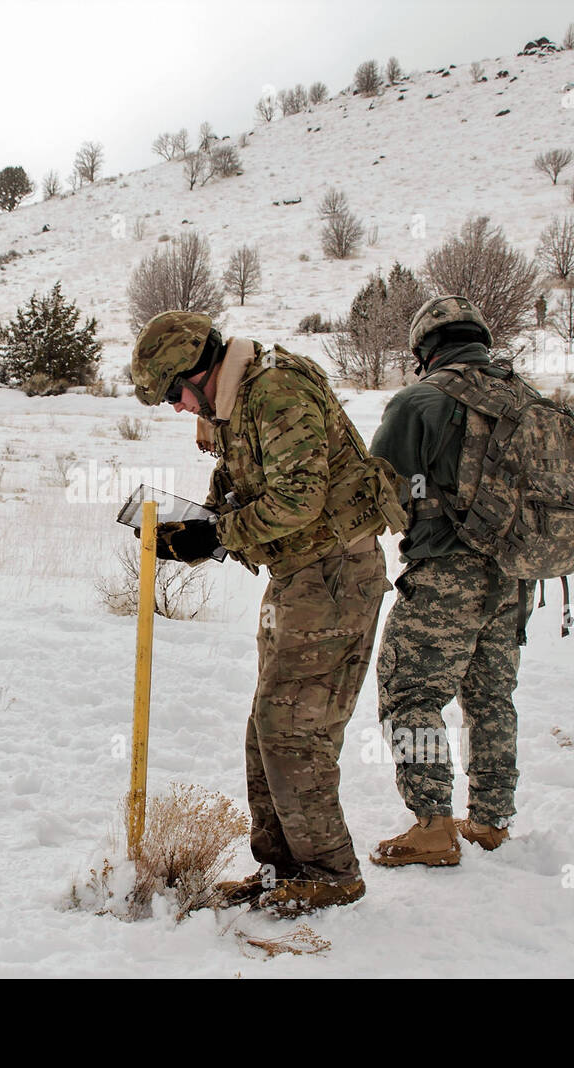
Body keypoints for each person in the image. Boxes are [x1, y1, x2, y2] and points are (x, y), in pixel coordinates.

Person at [130, 311, 405, 913]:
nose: (178, 408)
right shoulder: (236, 401)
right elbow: (237, 488)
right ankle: (282, 870)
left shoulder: (275, 391)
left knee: (293, 729)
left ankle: (332, 873)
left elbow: (298, 501)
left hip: (334, 574)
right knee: (265, 730)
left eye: (175, 393)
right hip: (298, 576)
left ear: (196, 368)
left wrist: (221, 535)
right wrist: (194, 529)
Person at [366, 295, 534, 866]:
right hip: (514, 576)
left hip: (447, 573)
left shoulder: (421, 400)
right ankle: (490, 820)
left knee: (411, 692)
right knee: (491, 696)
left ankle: (433, 825)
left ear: (425, 350)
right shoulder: (527, 401)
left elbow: (377, 489)